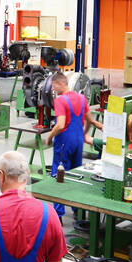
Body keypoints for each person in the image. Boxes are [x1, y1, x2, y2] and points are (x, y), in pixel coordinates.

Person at [43, 71, 94, 218]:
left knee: (59, 175)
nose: (53, 90)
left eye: (54, 86)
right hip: (78, 140)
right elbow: (89, 119)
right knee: (76, 174)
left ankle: (58, 215)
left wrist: (50, 136)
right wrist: (84, 134)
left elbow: (60, 125)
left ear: (61, 83)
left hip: (64, 142)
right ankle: (78, 210)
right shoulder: (82, 98)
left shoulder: (60, 100)